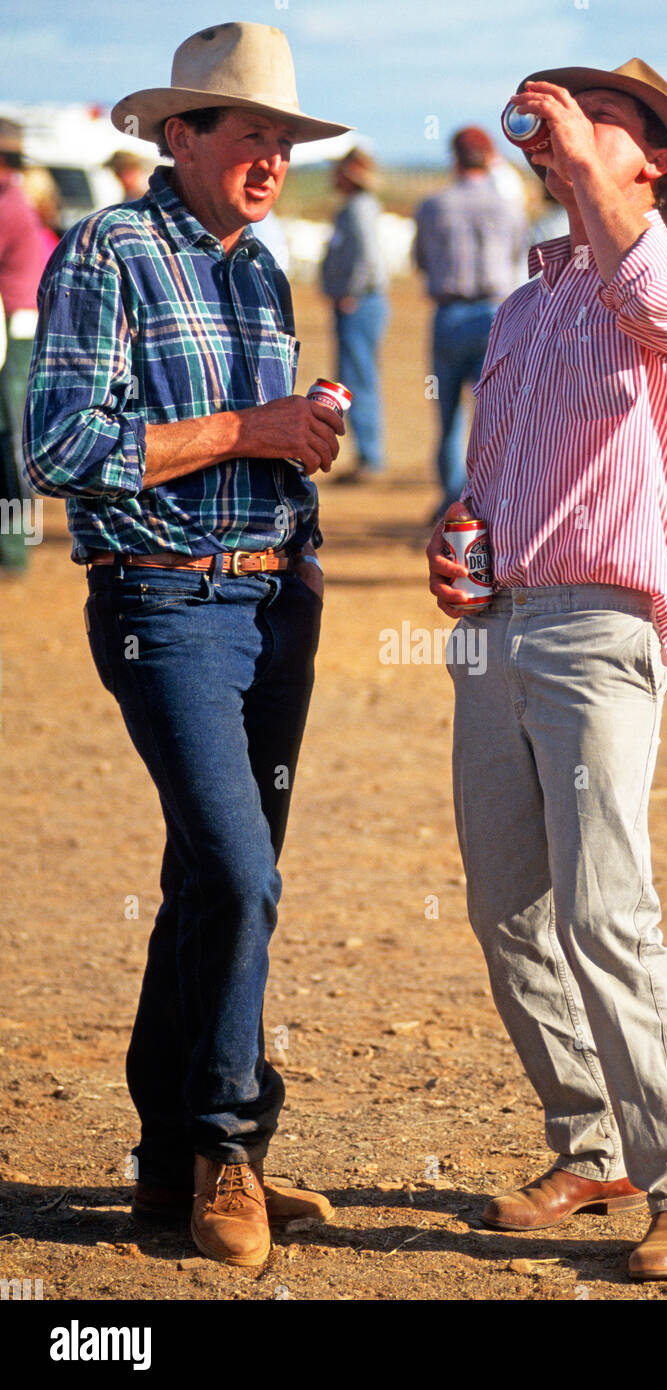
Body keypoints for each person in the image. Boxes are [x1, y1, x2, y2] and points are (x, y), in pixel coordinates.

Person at [24, 20, 351, 1268]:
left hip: (275, 598)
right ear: (180, 136)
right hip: (165, 601)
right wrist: (245, 426)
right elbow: (59, 451)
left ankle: (165, 1170)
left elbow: (247, 430)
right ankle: (228, 1146)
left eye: (284, 137)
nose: (272, 155)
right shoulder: (107, 249)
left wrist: (301, 431)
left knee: (216, 877)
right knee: (241, 872)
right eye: (249, 132)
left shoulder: (258, 265)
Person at [427, 59, 667, 1281]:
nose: (560, 128)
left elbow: (652, 296)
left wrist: (577, 155)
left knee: (606, 911)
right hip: (496, 627)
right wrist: (456, 542)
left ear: (650, 158)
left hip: (602, 629)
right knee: (507, 912)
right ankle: (589, 1141)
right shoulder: (521, 307)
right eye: (552, 115)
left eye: (594, 116)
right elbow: (487, 477)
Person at [415, 127, 526, 520]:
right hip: (496, 315)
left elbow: (422, 259)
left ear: (455, 157)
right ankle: (489, 498)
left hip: (450, 313)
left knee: (447, 416)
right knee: (492, 414)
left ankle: (451, 498)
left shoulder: (434, 205)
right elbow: (517, 252)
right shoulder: (509, 206)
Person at [320, 147, 389, 482]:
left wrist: (351, 291)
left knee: (357, 378)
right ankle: (368, 456)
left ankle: (370, 459)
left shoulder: (358, 210)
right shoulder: (356, 208)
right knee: (356, 376)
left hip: (359, 303)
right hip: (362, 301)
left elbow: (366, 255)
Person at [0, 118, 46, 572]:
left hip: (14, 331)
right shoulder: (15, 196)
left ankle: (15, 548)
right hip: (15, 327)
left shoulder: (7, 204)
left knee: (12, 439)